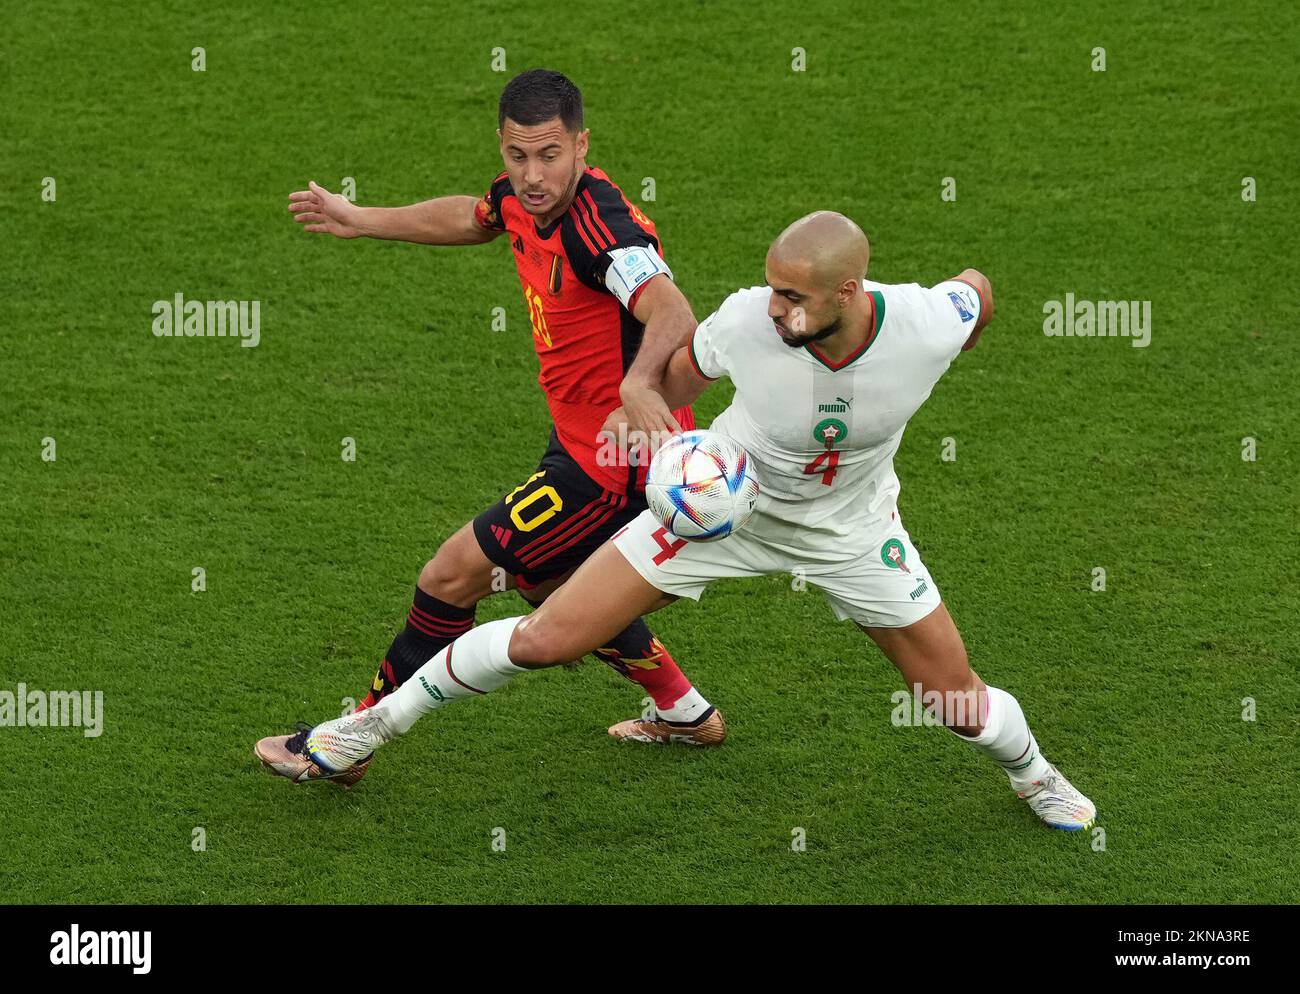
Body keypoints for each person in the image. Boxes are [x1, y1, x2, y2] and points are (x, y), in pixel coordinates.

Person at [259, 210, 1096, 832]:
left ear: (850, 292)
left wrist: (967, 327)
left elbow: (977, 295)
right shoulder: (745, 321)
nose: (776, 310)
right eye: (773, 289)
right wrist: (641, 398)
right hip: (720, 510)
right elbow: (670, 384)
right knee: (548, 636)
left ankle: (1033, 774)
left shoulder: (924, 323)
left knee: (950, 700)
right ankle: (359, 729)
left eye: (795, 298)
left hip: (852, 531)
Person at [258, 69, 727, 790]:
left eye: (548, 155)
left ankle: (350, 740)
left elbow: (673, 313)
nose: (532, 175)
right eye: (516, 155)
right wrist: (362, 217)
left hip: (613, 465)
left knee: (451, 574)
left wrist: (636, 385)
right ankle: (684, 710)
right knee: (552, 584)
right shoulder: (520, 198)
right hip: (574, 443)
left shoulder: (604, 227)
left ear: (581, 144)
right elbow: (475, 216)